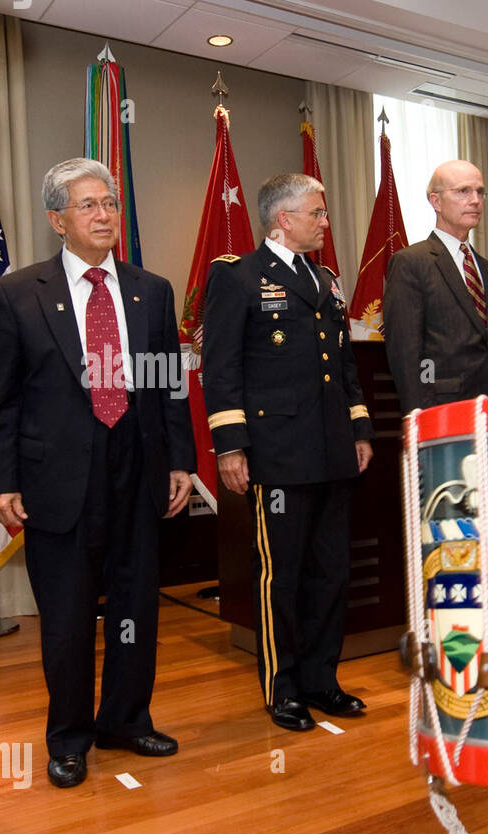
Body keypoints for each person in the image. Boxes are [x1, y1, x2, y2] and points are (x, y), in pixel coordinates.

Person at [0, 159, 196, 787]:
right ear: (57, 219)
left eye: (110, 203)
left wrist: (181, 460)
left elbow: (168, 385)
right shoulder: (20, 293)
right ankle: (69, 737)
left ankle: (126, 720)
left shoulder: (150, 290)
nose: (105, 215)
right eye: (89, 206)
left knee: (136, 605)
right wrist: (1, 480)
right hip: (57, 478)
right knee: (70, 616)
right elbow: (1, 399)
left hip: (138, 466)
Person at [202, 173, 374, 733]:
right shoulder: (239, 277)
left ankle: (323, 680)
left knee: (331, 573)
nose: (325, 222)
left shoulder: (325, 279)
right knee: (282, 575)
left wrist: (360, 431)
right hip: (276, 453)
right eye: (316, 213)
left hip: (331, 451)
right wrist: (230, 445)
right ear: (284, 218)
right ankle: (284, 687)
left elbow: (343, 364)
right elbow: (222, 368)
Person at [383, 160, 488, 413]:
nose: (475, 200)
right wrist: (421, 411)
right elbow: (409, 351)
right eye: (463, 191)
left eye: (480, 192)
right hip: (442, 408)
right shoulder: (411, 263)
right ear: (436, 202)